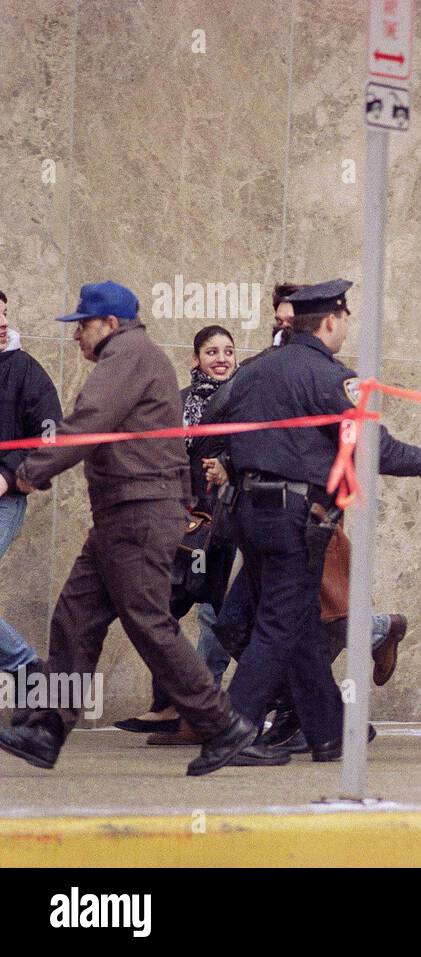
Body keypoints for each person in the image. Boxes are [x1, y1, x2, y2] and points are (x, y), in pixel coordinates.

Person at [0, 281, 257, 776]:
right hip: (121, 515)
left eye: (83, 324)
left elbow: (88, 423)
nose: (76, 335)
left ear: (110, 324)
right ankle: (47, 727)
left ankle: (222, 723)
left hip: (139, 512)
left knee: (148, 623)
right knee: (74, 620)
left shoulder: (129, 354)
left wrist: (28, 472)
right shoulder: (131, 355)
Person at [220, 279, 421, 765]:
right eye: (344, 319)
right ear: (330, 322)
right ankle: (234, 731)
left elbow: (214, 424)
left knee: (299, 621)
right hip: (292, 516)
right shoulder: (328, 377)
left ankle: (329, 733)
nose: (344, 327)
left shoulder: (254, 370)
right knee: (279, 623)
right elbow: (373, 446)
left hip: (247, 511)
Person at [115, 324, 240, 740]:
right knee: (159, 610)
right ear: (195, 359)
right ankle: (171, 704)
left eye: (228, 351)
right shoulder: (180, 404)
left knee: (223, 618)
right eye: (211, 352)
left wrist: (228, 468)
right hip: (182, 527)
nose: (221, 358)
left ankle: (219, 710)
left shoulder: (244, 402)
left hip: (228, 525)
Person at [0, 289, 62, 682]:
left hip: (4, 499)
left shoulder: (25, 371)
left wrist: (7, 476)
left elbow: (50, 434)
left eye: (4, 314)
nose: (3, 323)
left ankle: (27, 670)